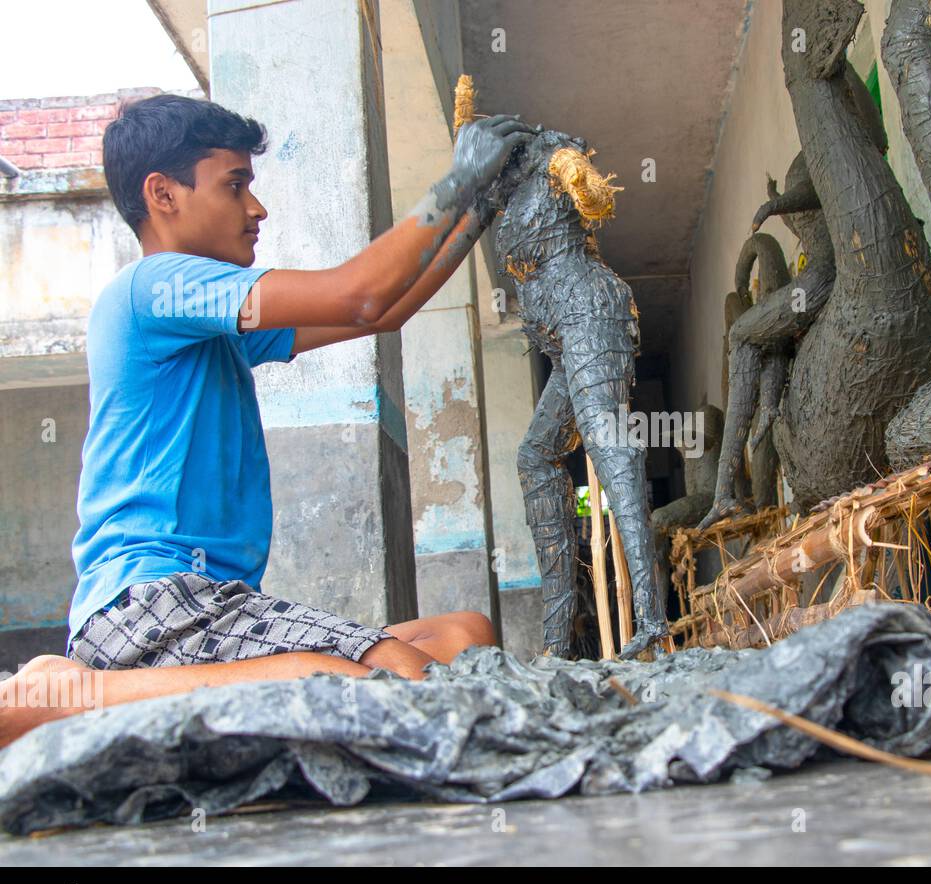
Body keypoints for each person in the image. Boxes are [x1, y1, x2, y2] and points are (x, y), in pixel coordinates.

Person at [0, 94, 535, 748]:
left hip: (209, 604)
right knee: (396, 676)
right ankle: (63, 698)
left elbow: (380, 312)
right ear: (162, 194)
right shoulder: (158, 286)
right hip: (155, 604)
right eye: (235, 186)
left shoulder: (208, 323)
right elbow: (358, 291)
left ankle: (93, 688)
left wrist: (482, 202)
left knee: (464, 636)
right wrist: (455, 182)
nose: (257, 210)